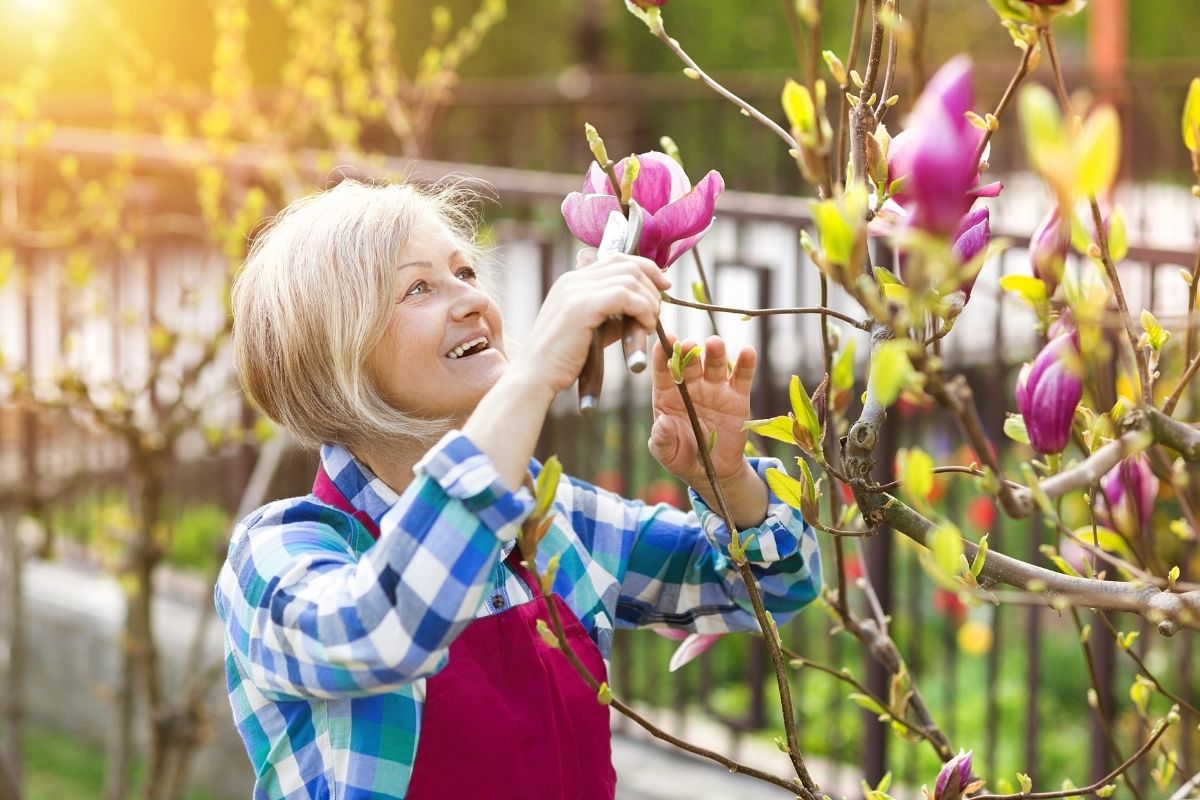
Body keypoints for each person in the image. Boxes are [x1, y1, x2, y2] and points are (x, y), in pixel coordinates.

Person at [215, 178, 823, 800]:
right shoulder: (279, 556)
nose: (471, 300)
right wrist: (533, 375)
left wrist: (723, 481)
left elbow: (776, 585)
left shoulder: (550, 519)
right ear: (332, 353)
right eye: (418, 287)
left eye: (466, 272)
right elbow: (383, 630)